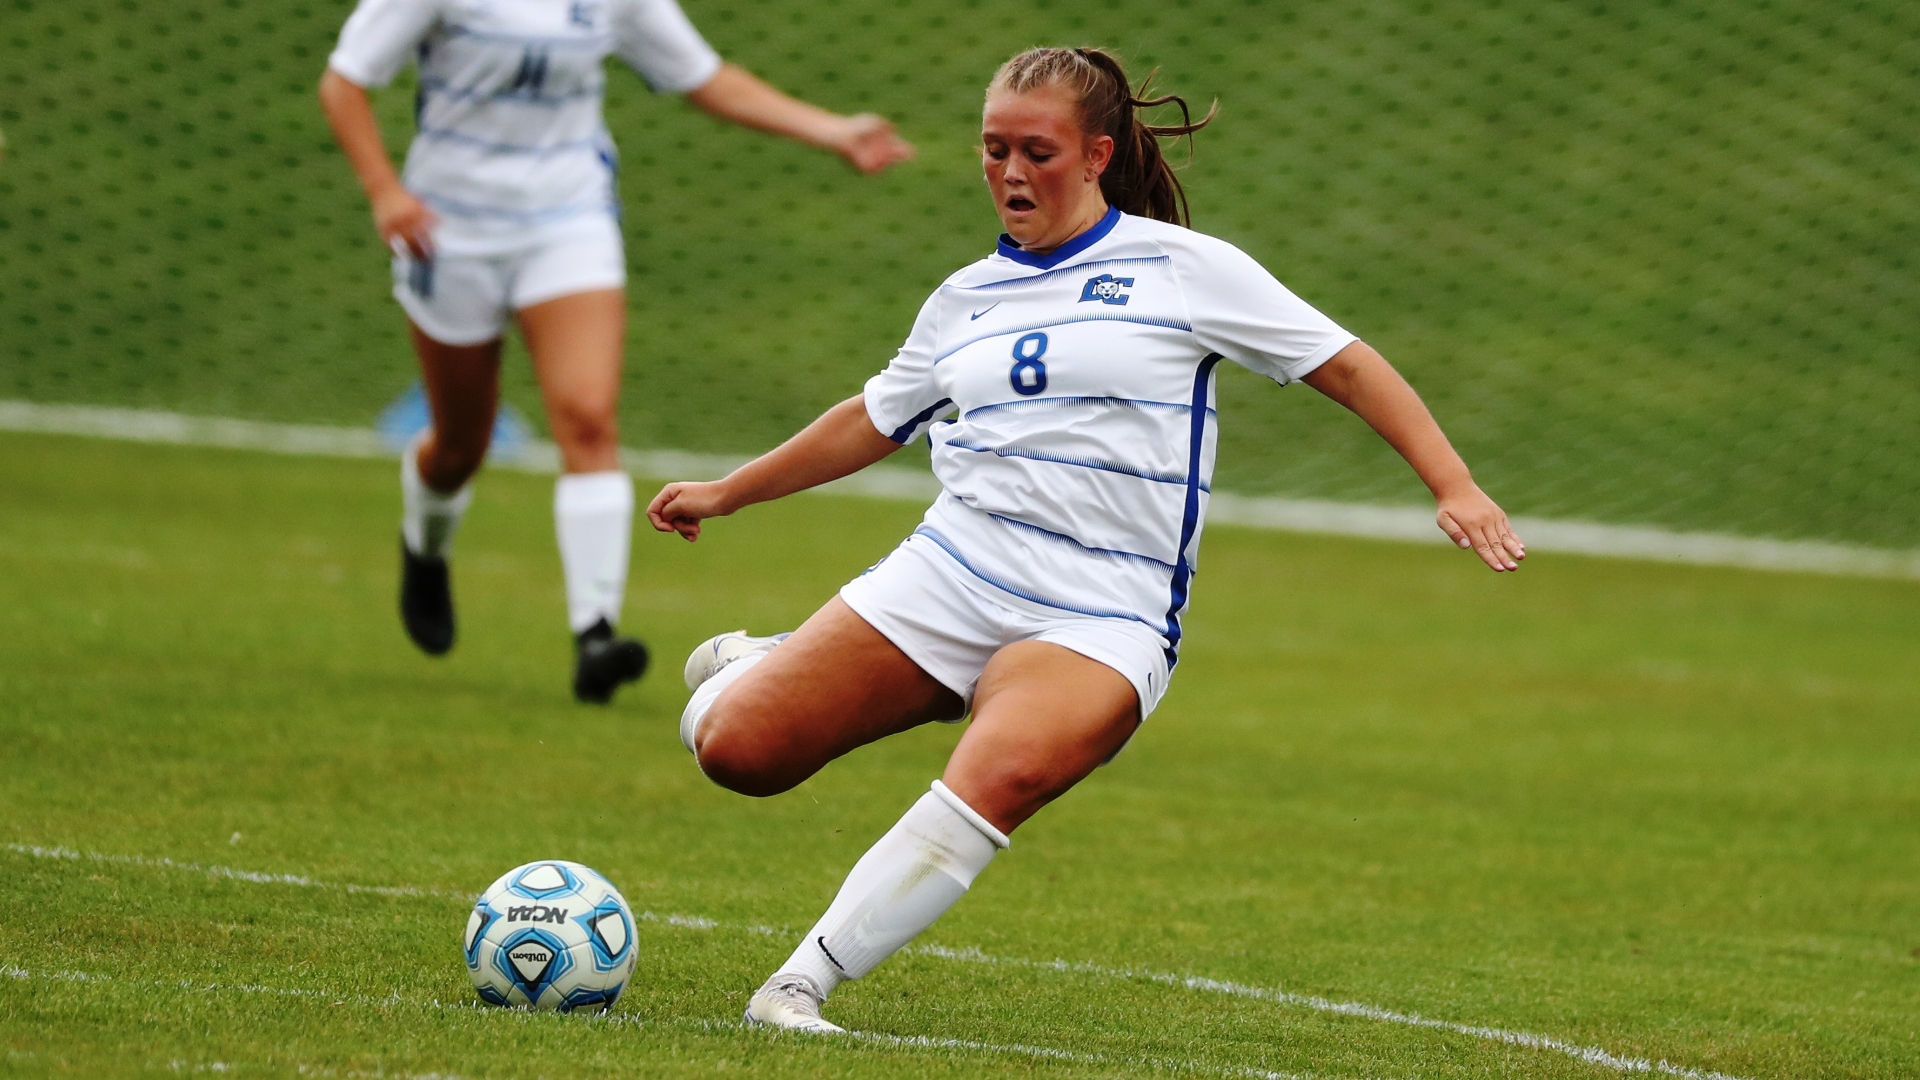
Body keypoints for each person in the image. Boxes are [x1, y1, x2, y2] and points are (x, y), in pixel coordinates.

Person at [647, 46, 1527, 1031]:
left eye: (1038, 150)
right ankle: (759, 667)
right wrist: (730, 493)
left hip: (1101, 611)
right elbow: (872, 418)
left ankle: (798, 986)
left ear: (1098, 154)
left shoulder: (1184, 270)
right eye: (994, 150)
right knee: (739, 752)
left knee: (1004, 772)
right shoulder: (965, 298)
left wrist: (1452, 485)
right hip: (952, 575)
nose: (1012, 173)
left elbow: (1350, 366)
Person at [317, 0, 913, 702]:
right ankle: (426, 546)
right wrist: (385, 192)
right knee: (459, 444)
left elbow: (703, 75)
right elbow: (343, 81)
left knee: (589, 417)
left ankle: (594, 634)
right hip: (449, 228)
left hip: (569, 220)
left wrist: (834, 130)